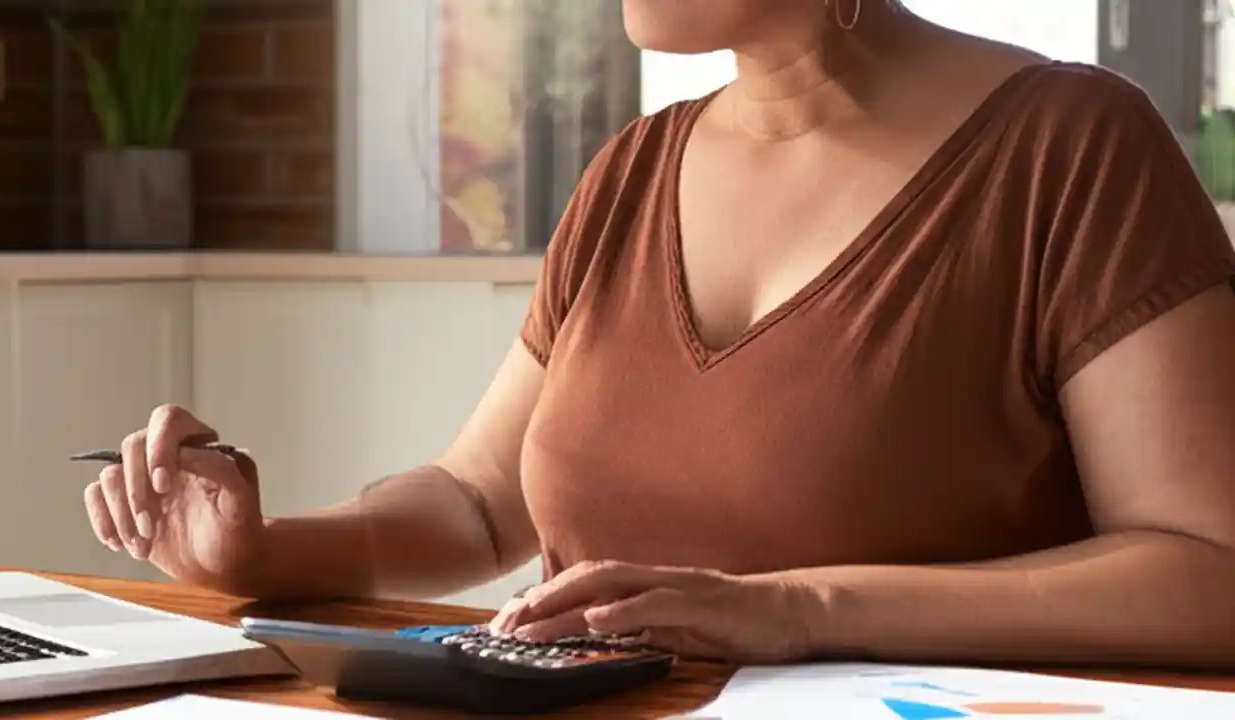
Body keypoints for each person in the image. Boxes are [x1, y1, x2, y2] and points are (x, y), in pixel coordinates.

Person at [84, 0, 1235, 666]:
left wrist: (800, 608)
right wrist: (262, 551)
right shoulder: (634, 169)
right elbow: (480, 503)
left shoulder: (1073, 148)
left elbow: (1207, 574)